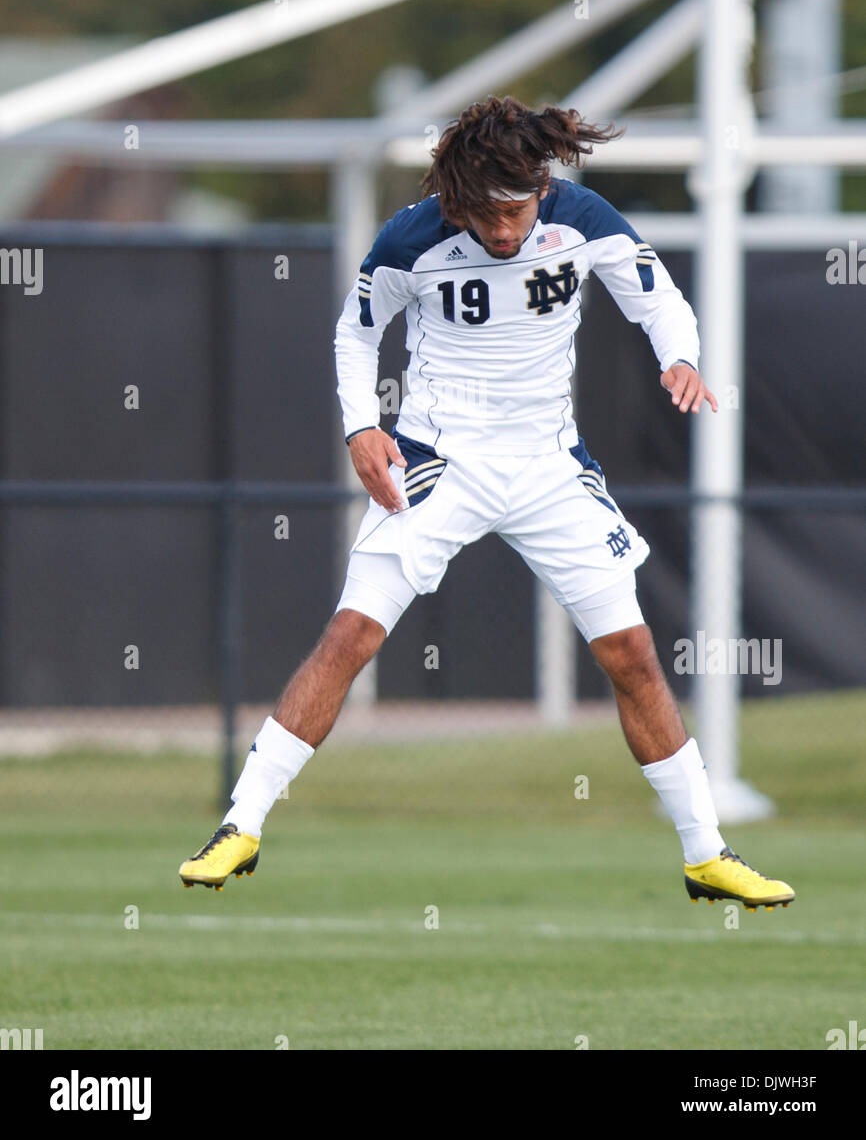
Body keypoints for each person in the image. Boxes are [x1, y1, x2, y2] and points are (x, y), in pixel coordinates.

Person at [179, 95, 794, 912]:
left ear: (541, 186)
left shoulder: (583, 218)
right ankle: (242, 824)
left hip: (548, 465)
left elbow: (660, 299)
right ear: (456, 197)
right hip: (441, 460)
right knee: (352, 633)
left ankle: (705, 853)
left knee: (632, 655)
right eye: (484, 214)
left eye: (515, 210)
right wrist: (362, 426)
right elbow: (356, 333)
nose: (502, 232)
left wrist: (680, 356)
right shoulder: (412, 236)